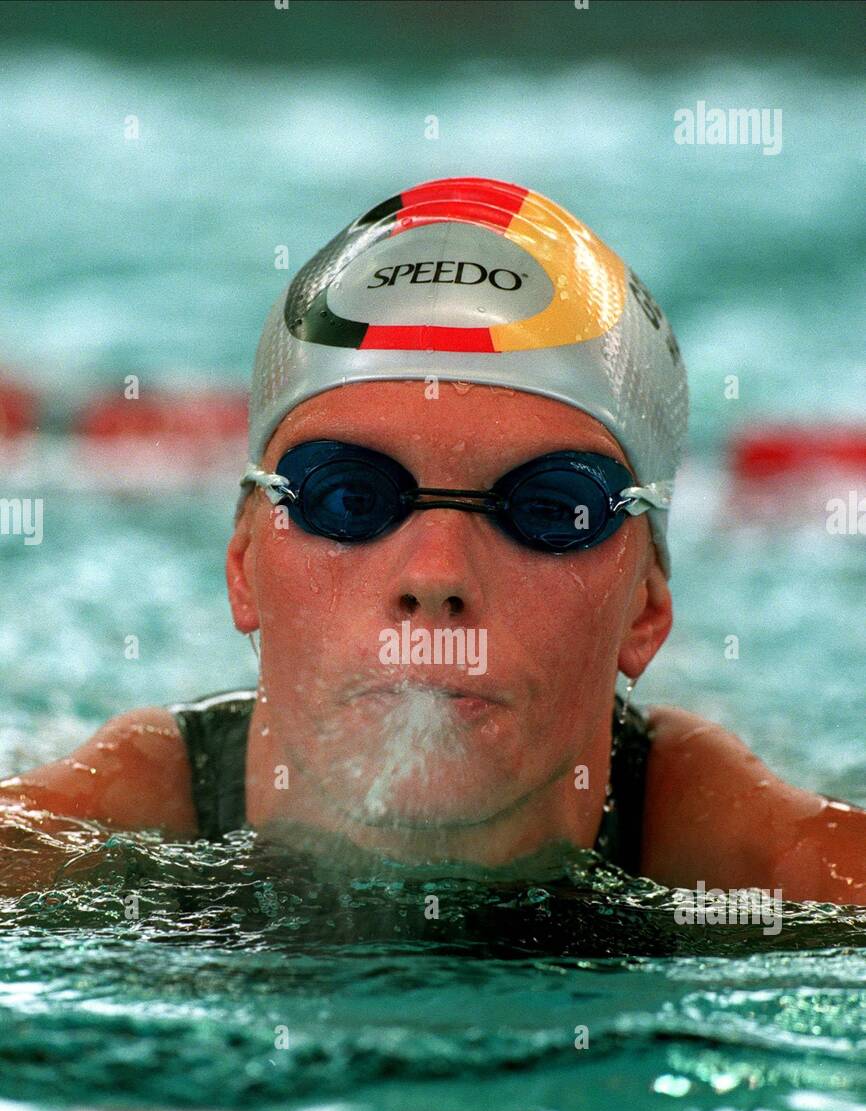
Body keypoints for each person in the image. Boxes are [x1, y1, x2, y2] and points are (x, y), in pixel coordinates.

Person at [2, 177, 865, 904]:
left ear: (645, 607)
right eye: (349, 496)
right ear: (243, 567)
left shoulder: (779, 881)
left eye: (551, 508)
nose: (436, 577)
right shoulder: (61, 851)